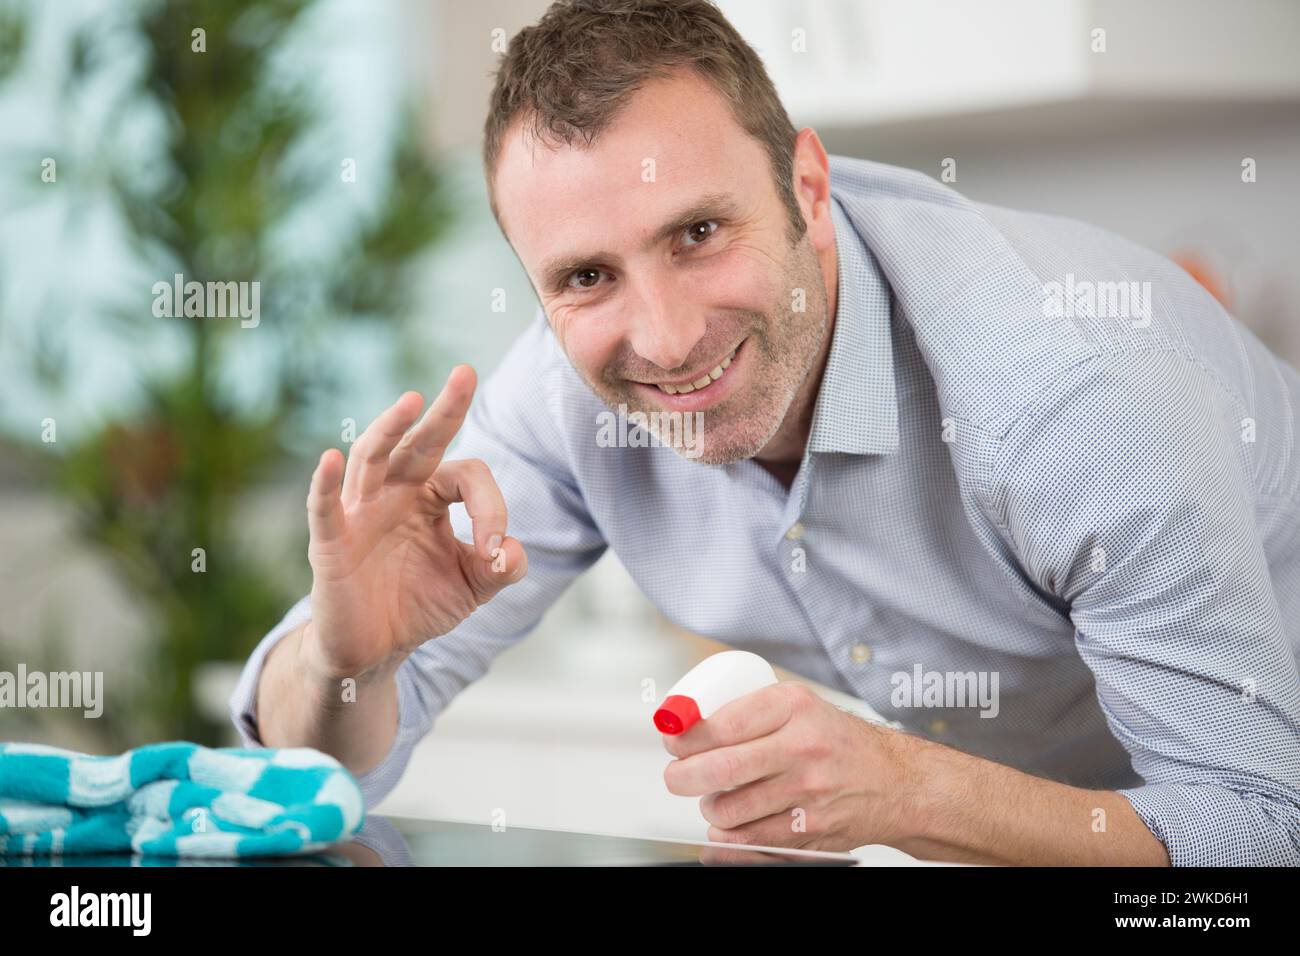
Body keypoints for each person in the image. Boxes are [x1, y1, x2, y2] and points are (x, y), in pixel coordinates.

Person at [231, 0, 1300, 865]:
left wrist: (903, 787)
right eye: (586, 275)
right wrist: (344, 659)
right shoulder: (564, 400)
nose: (664, 335)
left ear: (807, 186)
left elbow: (1256, 833)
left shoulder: (1071, 396)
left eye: (698, 232)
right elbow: (327, 774)